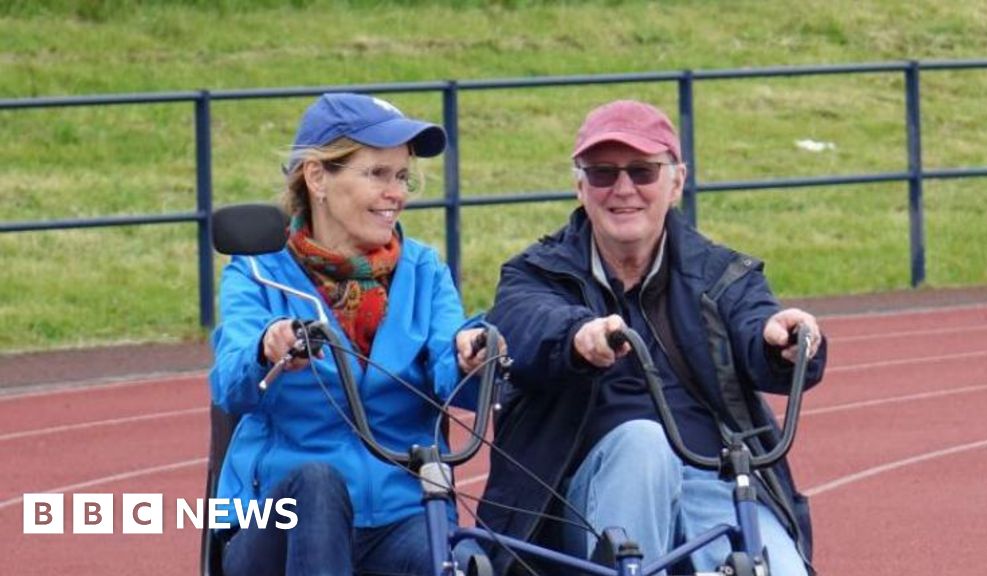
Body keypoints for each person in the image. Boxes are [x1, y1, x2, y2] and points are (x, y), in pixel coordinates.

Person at [476, 100, 827, 575]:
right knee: (644, 443)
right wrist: (578, 337)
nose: (623, 189)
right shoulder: (533, 275)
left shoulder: (722, 274)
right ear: (580, 186)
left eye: (642, 171)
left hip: (714, 482)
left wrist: (779, 342)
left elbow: (756, 323)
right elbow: (525, 325)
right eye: (602, 173)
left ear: (676, 181)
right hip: (581, 498)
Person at [209, 92, 496, 576]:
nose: (396, 193)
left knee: (467, 562)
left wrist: (471, 356)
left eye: (402, 176)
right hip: (279, 524)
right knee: (317, 483)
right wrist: (267, 349)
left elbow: (453, 374)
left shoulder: (424, 270)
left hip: (399, 516)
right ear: (318, 177)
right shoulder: (258, 274)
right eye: (377, 174)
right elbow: (230, 384)